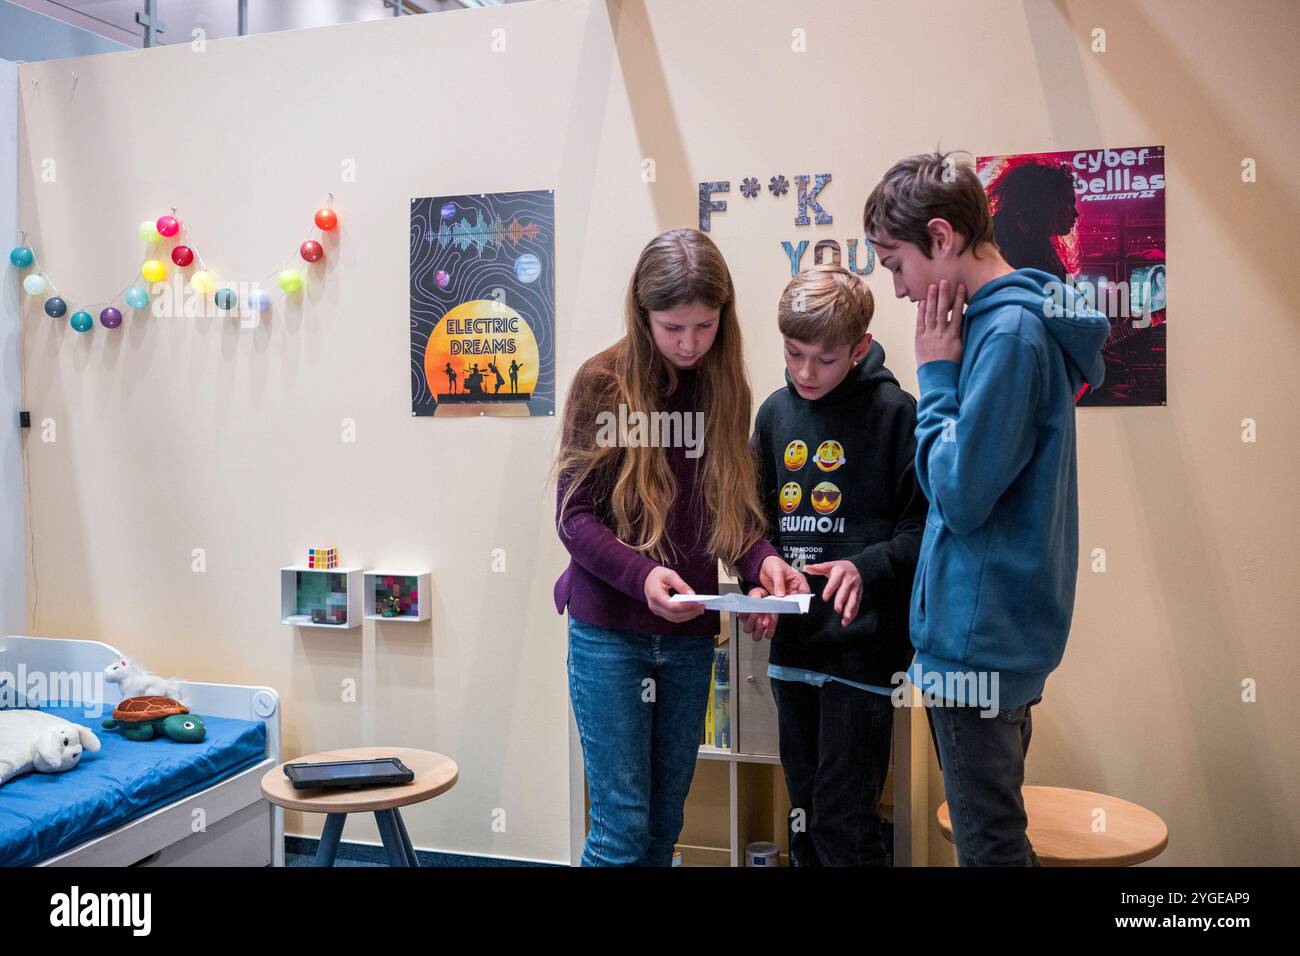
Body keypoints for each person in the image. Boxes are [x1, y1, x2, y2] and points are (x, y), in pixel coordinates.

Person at [863, 151, 1109, 866]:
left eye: (896, 263)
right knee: (992, 834)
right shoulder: (1015, 320)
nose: (900, 289)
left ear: (941, 238)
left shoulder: (1007, 334)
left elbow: (963, 497)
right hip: (990, 631)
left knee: (990, 847)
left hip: (978, 639)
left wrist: (935, 377)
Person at [553, 227, 807, 866]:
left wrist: (764, 561)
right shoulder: (602, 382)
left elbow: (733, 513)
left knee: (664, 826)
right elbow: (574, 518)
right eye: (672, 327)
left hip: (690, 640)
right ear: (643, 317)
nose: (690, 343)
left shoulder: (726, 387)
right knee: (620, 831)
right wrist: (642, 578)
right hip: (610, 632)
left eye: (704, 324)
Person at [740, 264, 925, 866]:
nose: (804, 372)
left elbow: (924, 531)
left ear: (860, 348)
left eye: (823, 359)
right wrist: (758, 583)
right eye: (793, 354)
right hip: (793, 652)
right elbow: (752, 528)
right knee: (804, 818)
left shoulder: (899, 414)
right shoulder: (772, 416)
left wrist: (865, 569)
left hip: (864, 654)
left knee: (846, 825)